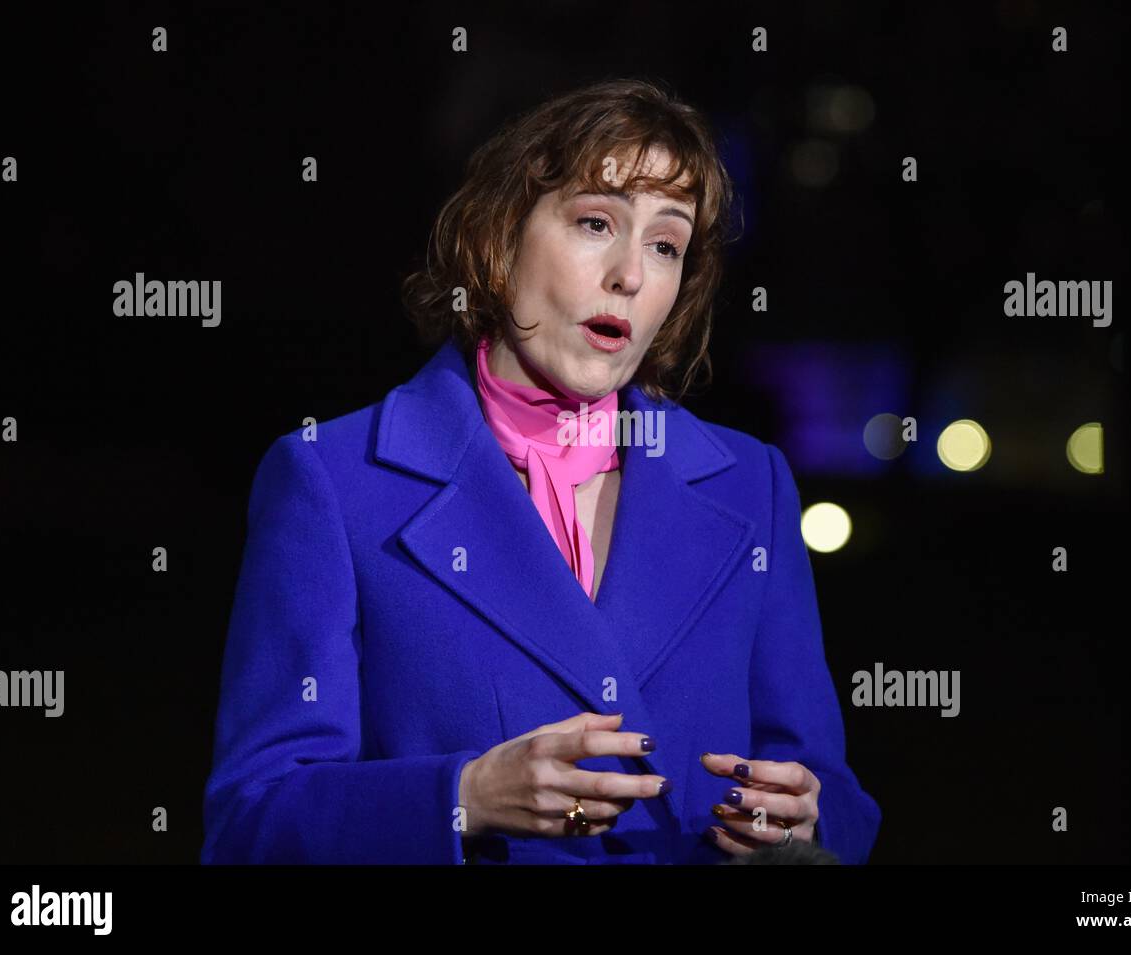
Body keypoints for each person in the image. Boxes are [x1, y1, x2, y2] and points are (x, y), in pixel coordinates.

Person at [199, 77, 881, 865]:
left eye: (667, 244)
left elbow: (833, 791)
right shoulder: (334, 480)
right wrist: (463, 799)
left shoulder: (748, 484)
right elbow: (251, 825)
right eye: (597, 222)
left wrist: (806, 819)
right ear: (498, 236)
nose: (631, 273)